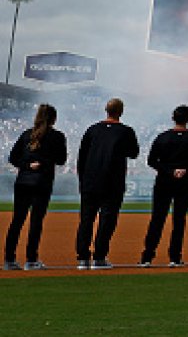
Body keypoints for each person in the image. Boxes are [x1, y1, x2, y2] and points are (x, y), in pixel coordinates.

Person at [75, 98, 139, 270]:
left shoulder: (92, 129)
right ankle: (99, 257)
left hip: (90, 182)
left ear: (106, 110)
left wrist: (83, 180)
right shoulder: (126, 131)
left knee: (86, 220)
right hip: (113, 183)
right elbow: (134, 153)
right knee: (107, 220)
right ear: (121, 112)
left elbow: (81, 158)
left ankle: (82, 258)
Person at [139, 104, 188, 268]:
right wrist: (184, 169)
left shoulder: (163, 137)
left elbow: (151, 161)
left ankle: (147, 256)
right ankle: (175, 257)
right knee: (179, 219)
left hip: (164, 181)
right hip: (185, 182)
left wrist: (169, 171)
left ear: (173, 118)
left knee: (157, 218)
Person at [5, 103, 68, 271]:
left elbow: (13, 158)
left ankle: (9, 259)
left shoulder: (27, 134)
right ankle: (31, 259)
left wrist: (27, 165)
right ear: (53, 119)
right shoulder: (57, 136)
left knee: (17, 220)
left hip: (22, 182)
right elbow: (61, 160)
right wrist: (44, 162)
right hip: (42, 183)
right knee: (36, 222)